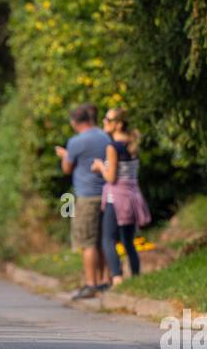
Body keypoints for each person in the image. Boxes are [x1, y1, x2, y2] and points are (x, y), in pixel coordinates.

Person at [54, 102, 111, 299]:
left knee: (87, 242)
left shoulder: (76, 142)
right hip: (106, 193)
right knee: (103, 239)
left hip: (87, 196)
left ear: (74, 122)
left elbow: (67, 169)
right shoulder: (104, 136)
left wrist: (65, 156)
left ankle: (91, 284)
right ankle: (105, 280)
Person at [95, 107, 151, 286]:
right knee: (128, 241)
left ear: (118, 125)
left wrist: (99, 167)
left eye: (108, 119)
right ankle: (135, 278)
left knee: (107, 238)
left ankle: (117, 278)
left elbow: (111, 177)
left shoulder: (112, 147)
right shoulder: (132, 142)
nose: (104, 122)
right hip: (132, 196)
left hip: (116, 197)